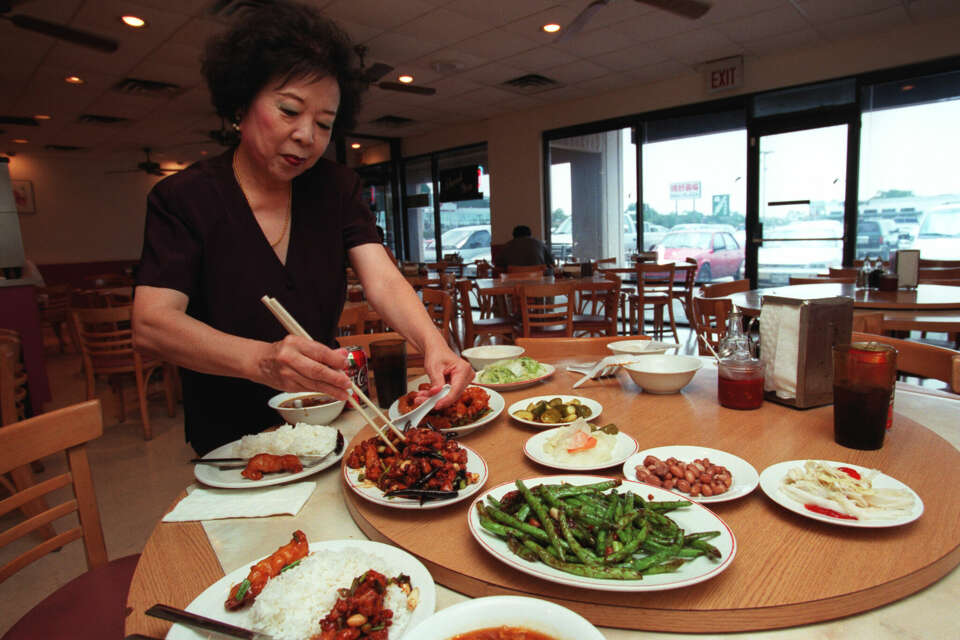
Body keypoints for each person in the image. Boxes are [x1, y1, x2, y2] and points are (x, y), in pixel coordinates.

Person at [132, 1, 471, 455]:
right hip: (231, 432)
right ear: (240, 104)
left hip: (328, 413)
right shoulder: (184, 198)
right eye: (290, 111)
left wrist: (435, 344)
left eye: (324, 123)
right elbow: (152, 324)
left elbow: (383, 280)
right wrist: (262, 361)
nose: (307, 136)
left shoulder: (336, 187)